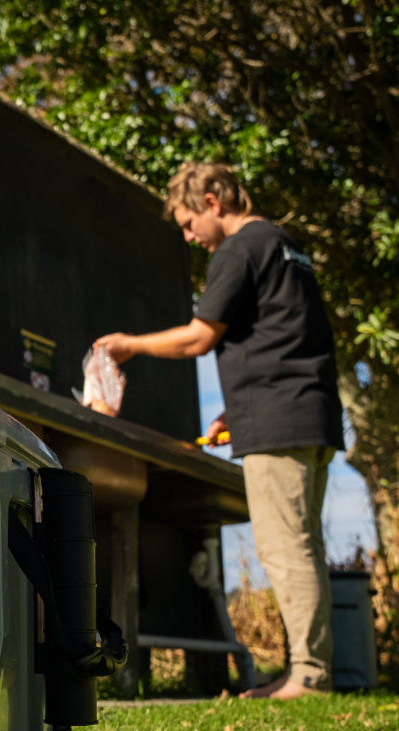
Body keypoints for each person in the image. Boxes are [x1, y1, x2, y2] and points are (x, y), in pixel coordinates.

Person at [93, 163, 344, 699]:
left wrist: (128, 345)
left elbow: (199, 337)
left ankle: (310, 677)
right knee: (305, 544)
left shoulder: (239, 247)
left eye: (187, 224)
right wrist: (239, 410)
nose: (189, 237)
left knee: (286, 549)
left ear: (212, 202)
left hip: (279, 422)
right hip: (312, 413)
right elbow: (285, 336)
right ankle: (309, 668)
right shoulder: (285, 245)